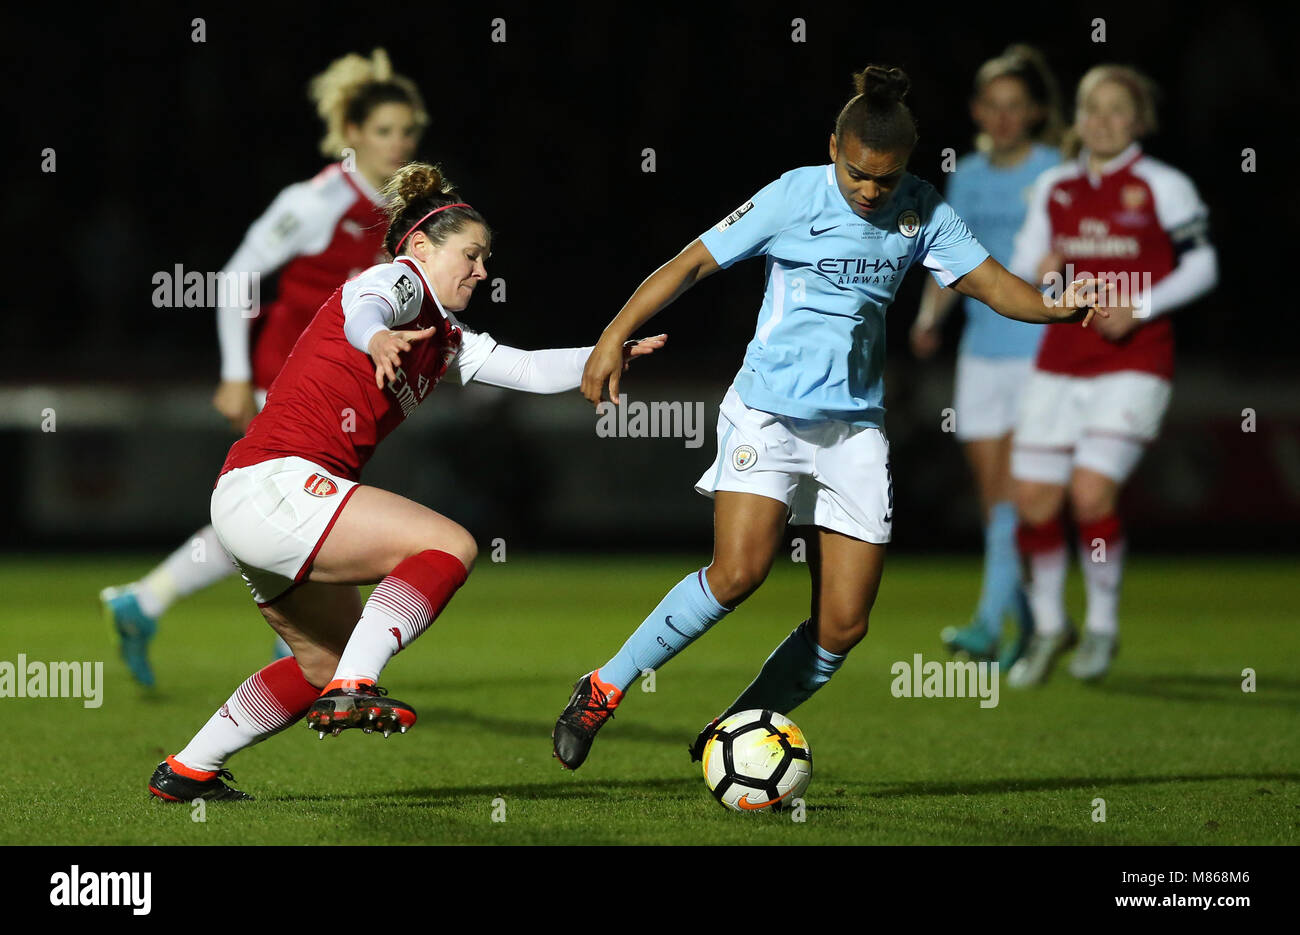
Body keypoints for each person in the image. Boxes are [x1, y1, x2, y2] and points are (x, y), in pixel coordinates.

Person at [551, 64, 1117, 773]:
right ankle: (601, 687)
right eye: (858, 175)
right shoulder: (793, 195)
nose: (871, 191)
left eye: (886, 178)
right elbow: (691, 263)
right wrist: (611, 336)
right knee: (739, 572)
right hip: (769, 415)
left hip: (853, 430)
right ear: (833, 149)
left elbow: (990, 281)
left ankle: (734, 730)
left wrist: (1057, 304)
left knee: (844, 624)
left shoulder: (921, 209)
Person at [147, 162, 665, 801]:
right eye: (471, 256)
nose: (482, 271)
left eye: (486, 260)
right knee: (450, 546)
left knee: (317, 663)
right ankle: (356, 686)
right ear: (421, 246)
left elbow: (527, 369)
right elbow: (368, 304)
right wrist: (376, 336)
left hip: (257, 497)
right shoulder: (397, 283)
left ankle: (188, 770)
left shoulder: (445, 337)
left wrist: (605, 354)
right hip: (278, 486)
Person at [102, 49, 425, 685]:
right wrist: (233, 374)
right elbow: (235, 279)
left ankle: (148, 600)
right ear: (353, 134)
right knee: (293, 507)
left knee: (279, 508)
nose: (399, 143)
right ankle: (299, 645)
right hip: (287, 376)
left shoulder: (399, 207)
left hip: (338, 384)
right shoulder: (316, 201)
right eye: (385, 131)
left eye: (409, 131)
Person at [1005, 65, 1217, 686]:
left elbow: (1204, 265)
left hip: (1135, 362)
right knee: (1034, 505)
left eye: (1116, 108)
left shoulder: (1163, 184)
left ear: (1139, 120)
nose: (1100, 119)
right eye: (1090, 108)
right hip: (1059, 362)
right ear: (1076, 118)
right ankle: (1049, 627)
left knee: (1091, 495)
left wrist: (1139, 307)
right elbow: (1024, 266)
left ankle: (1100, 623)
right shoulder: (1054, 186)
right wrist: (1043, 272)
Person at [908, 45, 1063, 670]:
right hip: (981, 352)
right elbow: (949, 259)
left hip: (1038, 350)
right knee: (994, 497)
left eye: (1015, 107)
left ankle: (985, 624)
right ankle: (1024, 620)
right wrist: (927, 318)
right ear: (978, 111)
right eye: (992, 107)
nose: (1003, 118)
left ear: (1032, 112)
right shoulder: (966, 174)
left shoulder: (1055, 169)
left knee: (1015, 497)